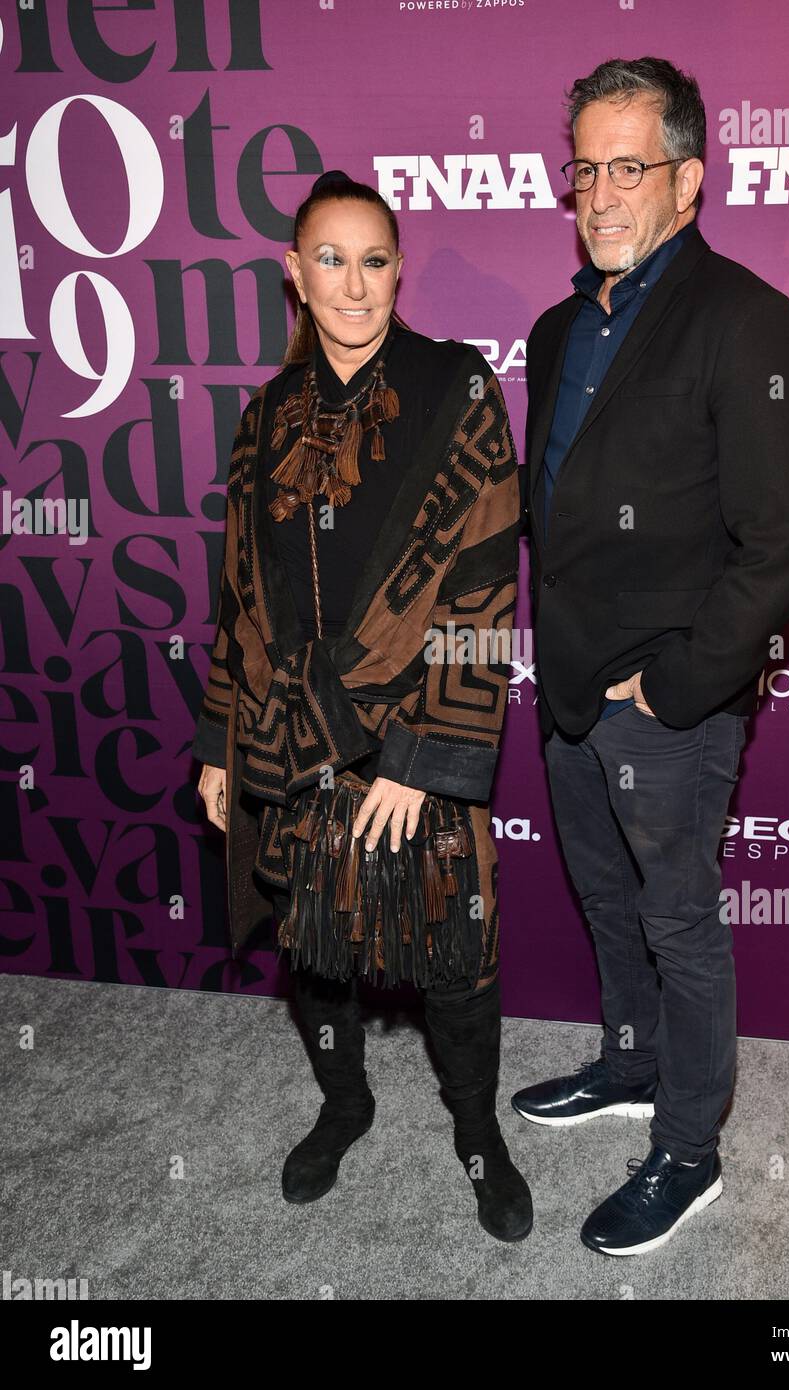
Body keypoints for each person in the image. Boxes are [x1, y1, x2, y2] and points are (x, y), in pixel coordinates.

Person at [513, 58, 789, 1255]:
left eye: (625, 167)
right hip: (572, 682)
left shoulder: (745, 319)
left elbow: (781, 540)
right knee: (604, 896)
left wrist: (682, 683)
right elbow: (557, 508)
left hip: (669, 701)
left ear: (686, 180)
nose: (598, 193)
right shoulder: (554, 330)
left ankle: (686, 1147)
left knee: (678, 918)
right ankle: (631, 1064)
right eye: (583, 168)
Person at [193, 170, 531, 1243]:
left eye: (373, 260)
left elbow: (483, 587)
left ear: (398, 268)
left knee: (453, 954)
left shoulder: (456, 389)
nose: (353, 283)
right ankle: (344, 1106)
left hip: (413, 730)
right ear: (294, 276)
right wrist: (218, 738)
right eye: (328, 260)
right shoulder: (264, 417)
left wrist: (420, 756)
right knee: (314, 944)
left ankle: (477, 1133)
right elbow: (238, 591)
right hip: (286, 738)